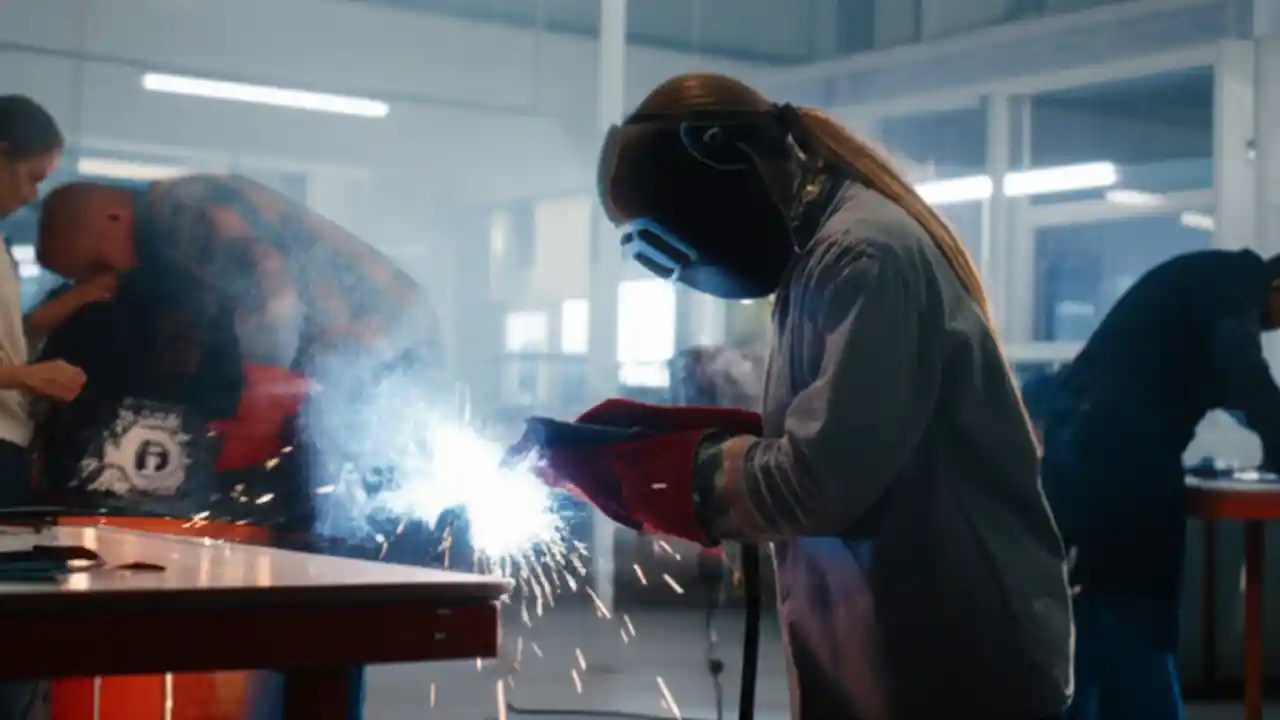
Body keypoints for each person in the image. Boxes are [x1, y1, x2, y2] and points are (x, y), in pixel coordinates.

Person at [530, 73, 1073, 720]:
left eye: (673, 240)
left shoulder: (864, 254)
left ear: (723, 165)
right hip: (891, 647)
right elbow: (839, 431)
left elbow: (814, 479)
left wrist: (637, 472)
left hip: (955, 662)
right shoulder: (817, 258)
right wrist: (642, 437)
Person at [36, 174, 444, 720]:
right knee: (329, 572)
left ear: (113, 220)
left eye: (93, 266)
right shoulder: (185, 205)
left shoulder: (181, 213)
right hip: (373, 341)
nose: (104, 280)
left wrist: (257, 379)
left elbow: (269, 280)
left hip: (374, 344)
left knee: (331, 582)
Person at [1039, 250, 1280, 720]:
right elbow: (1246, 375)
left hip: (1084, 457)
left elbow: (1237, 393)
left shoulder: (1208, 286)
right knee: (1137, 624)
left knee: (1088, 629)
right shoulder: (1230, 287)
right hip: (1118, 467)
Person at [0, 94, 113, 720]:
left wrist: (75, 303)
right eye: (30, 178)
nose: (32, 197)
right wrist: (24, 376)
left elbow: (8, 337)